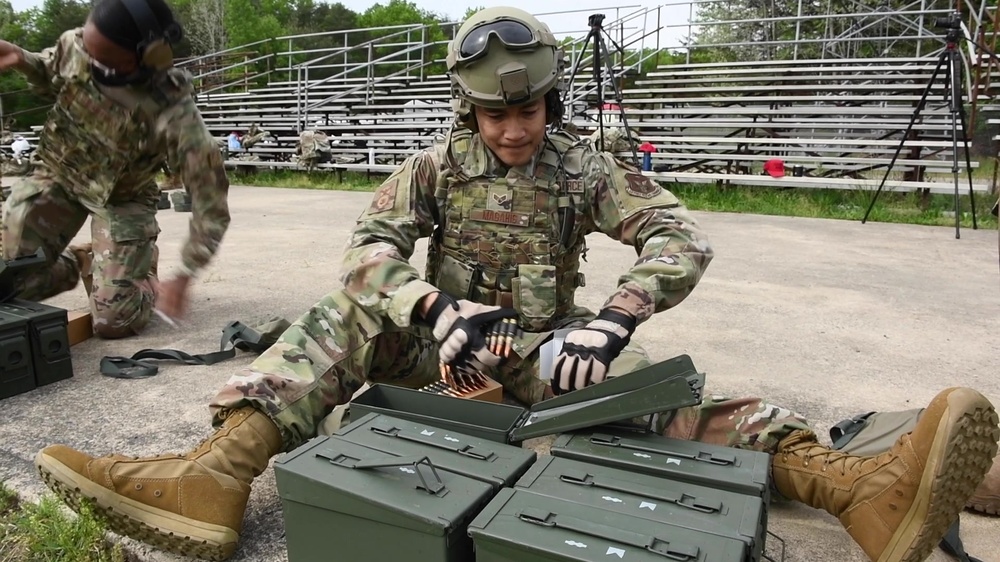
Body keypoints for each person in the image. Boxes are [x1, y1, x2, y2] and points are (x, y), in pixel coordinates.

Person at [34, 6, 998, 562]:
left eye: (527, 109)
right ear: (468, 111)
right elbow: (366, 246)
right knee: (339, 315)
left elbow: (678, 237)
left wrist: (615, 321)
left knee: (665, 396)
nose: (512, 130)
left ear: (551, 100)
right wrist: (430, 305)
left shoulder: (584, 167)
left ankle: (854, 491)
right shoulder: (435, 165)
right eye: (493, 115)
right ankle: (216, 476)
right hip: (432, 346)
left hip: (544, 353)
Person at [0, 0, 230, 337]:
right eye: (89, 52)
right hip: (60, 174)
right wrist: (23, 60)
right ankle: (81, 261)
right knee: (8, 281)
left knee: (114, 323)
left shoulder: (173, 112)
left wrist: (185, 273)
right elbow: (51, 73)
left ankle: (137, 264)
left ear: (150, 55)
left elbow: (211, 203)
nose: (92, 62)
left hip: (123, 198)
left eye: (105, 58)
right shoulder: (76, 45)